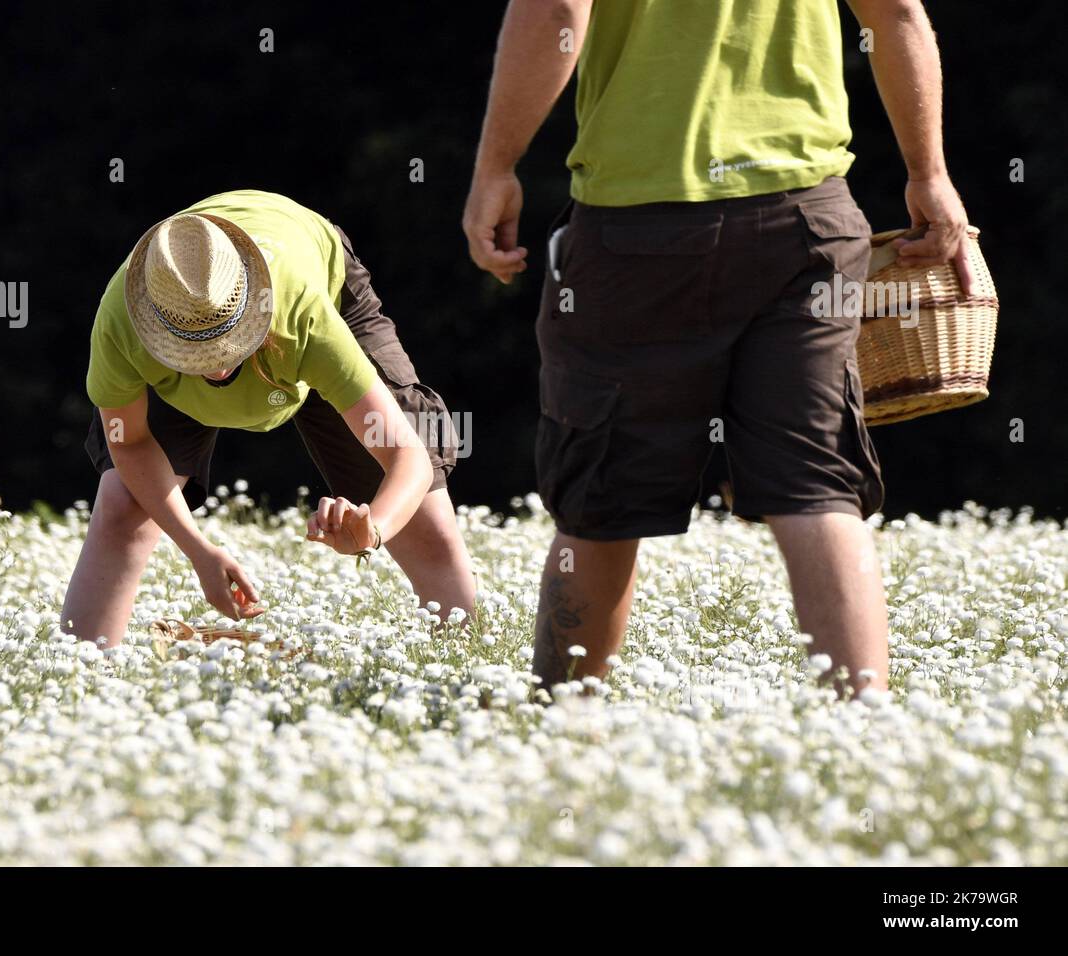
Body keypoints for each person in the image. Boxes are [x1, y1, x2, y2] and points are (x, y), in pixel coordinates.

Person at [462, 0, 973, 695]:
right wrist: (929, 171)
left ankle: (561, 728)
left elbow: (555, 9)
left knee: (601, 491)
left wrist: (497, 165)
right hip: (805, 216)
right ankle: (865, 731)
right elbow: (899, 14)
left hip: (637, 223)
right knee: (816, 482)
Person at [62, 189, 476, 646]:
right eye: (194, 352)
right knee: (123, 504)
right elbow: (129, 444)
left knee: (427, 522)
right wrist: (199, 552)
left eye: (228, 339)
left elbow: (406, 457)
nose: (219, 366)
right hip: (196, 292)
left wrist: (372, 530)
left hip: (306, 273)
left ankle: (474, 685)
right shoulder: (121, 324)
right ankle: (80, 681)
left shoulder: (304, 315)